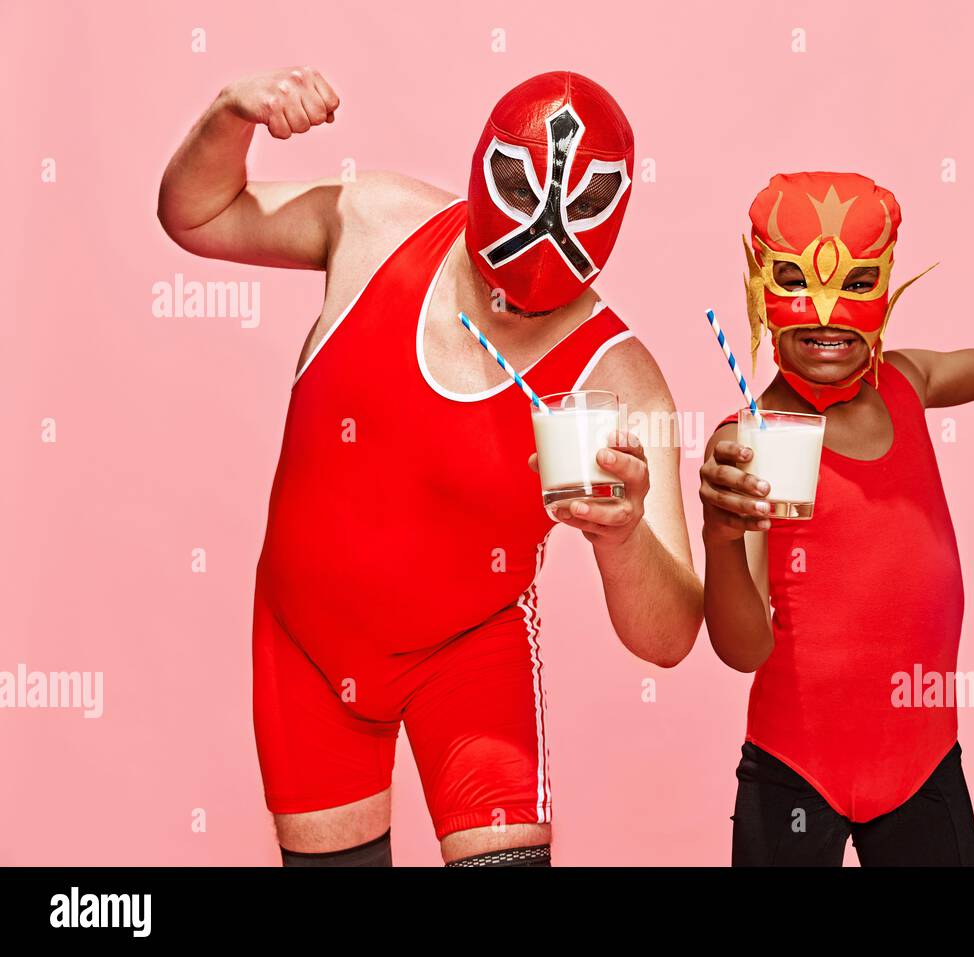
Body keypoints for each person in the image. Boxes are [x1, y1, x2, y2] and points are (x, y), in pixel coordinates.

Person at [158, 68, 703, 867]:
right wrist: (229, 113)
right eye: (495, 286)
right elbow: (194, 214)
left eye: (538, 306)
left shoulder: (618, 379)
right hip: (305, 654)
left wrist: (621, 537)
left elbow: (670, 637)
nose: (512, 310)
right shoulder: (377, 222)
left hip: (470, 663)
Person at [699, 167, 974, 865]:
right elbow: (743, 650)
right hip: (793, 769)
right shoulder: (746, 445)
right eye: (799, 284)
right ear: (761, 288)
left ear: (886, 287)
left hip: (922, 764)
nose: (828, 316)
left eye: (856, 285)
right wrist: (721, 534)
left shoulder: (907, 382)